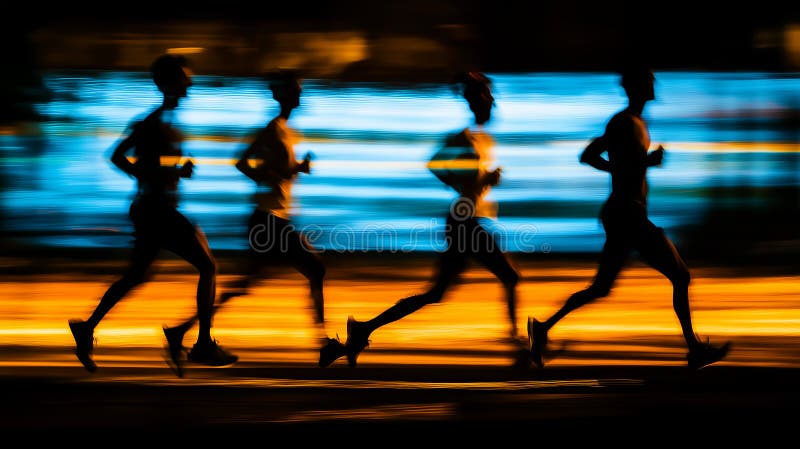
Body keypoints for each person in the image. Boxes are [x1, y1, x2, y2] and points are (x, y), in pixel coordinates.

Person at [527, 65, 731, 370]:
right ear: (636, 87)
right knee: (680, 275)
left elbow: (596, 155)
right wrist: (640, 164)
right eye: (648, 79)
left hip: (625, 213)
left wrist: (636, 164)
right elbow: (591, 156)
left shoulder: (633, 122)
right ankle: (694, 350)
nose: (654, 82)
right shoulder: (623, 123)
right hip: (627, 214)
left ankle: (542, 328)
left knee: (601, 288)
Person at [334, 72, 521, 368]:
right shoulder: (463, 138)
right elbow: (435, 164)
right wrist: (472, 182)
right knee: (509, 277)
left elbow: (439, 166)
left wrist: (472, 183)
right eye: (489, 95)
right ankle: (518, 344)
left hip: (466, 219)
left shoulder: (480, 138)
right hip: (465, 221)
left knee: (436, 293)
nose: (494, 101)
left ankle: (364, 328)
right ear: (479, 100)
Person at [163, 69, 346, 369]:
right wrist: (269, 175)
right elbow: (241, 162)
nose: (300, 94)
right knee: (315, 268)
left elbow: (273, 168)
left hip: (272, 216)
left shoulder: (285, 129)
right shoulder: (272, 129)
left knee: (244, 284)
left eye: (299, 90)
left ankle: (181, 331)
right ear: (284, 95)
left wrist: (295, 169)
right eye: (296, 90)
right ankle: (323, 343)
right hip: (268, 219)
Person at [68, 54, 237, 375]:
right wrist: (160, 175)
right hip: (155, 209)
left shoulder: (165, 120)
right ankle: (201, 343)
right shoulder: (153, 122)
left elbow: (137, 161)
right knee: (207, 265)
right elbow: (117, 156)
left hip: (155, 207)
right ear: (169, 83)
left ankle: (87, 327)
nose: (190, 84)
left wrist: (165, 173)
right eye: (185, 79)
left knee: (138, 275)